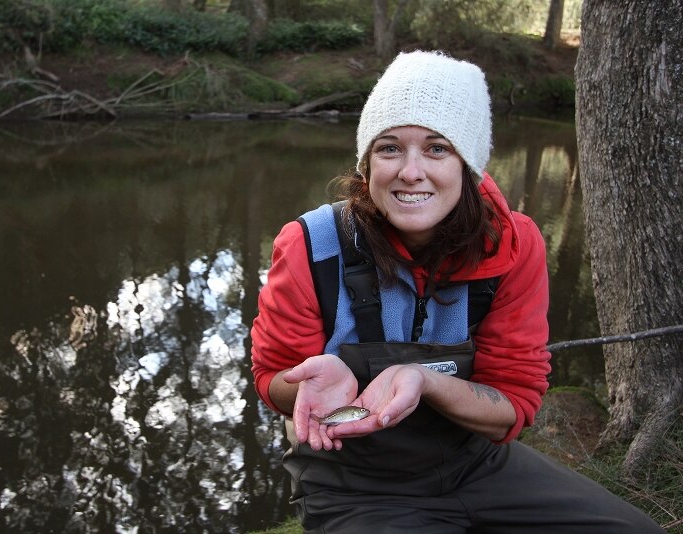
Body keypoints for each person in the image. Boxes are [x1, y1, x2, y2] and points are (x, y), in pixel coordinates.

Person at [250, 50, 665, 533]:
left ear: (469, 164)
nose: (410, 171)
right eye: (388, 148)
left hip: (478, 466)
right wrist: (304, 383)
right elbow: (272, 377)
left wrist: (425, 382)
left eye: (437, 148)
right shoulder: (310, 244)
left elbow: (515, 402)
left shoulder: (514, 243)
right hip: (353, 483)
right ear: (366, 165)